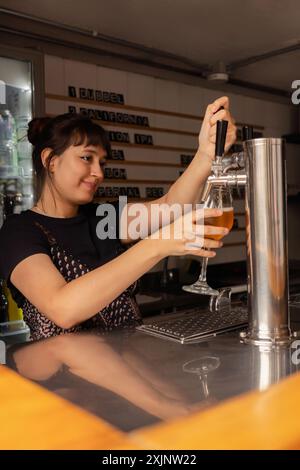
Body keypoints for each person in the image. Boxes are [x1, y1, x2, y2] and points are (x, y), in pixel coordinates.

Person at [0, 96, 236, 340]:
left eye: (102, 162)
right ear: (50, 160)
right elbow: (63, 308)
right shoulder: (19, 232)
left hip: (130, 365)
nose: (98, 173)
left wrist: (206, 154)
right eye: (86, 158)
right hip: (65, 376)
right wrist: (157, 245)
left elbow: (171, 207)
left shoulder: (102, 217)